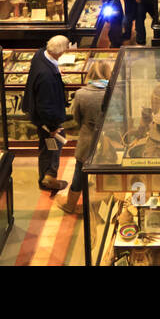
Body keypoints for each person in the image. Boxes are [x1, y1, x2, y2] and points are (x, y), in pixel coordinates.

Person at [58, 58, 114, 214]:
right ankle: (108, 204)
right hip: (109, 138)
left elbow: (76, 117)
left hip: (87, 137)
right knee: (108, 170)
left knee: (79, 171)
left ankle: (70, 204)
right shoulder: (112, 92)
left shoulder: (81, 94)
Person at [22, 35, 70, 193]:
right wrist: (53, 126)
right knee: (53, 145)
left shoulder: (40, 54)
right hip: (46, 120)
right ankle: (49, 177)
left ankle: (46, 177)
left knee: (47, 146)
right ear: (60, 52)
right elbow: (46, 106)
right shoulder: (47, 77)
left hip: (40, 115)